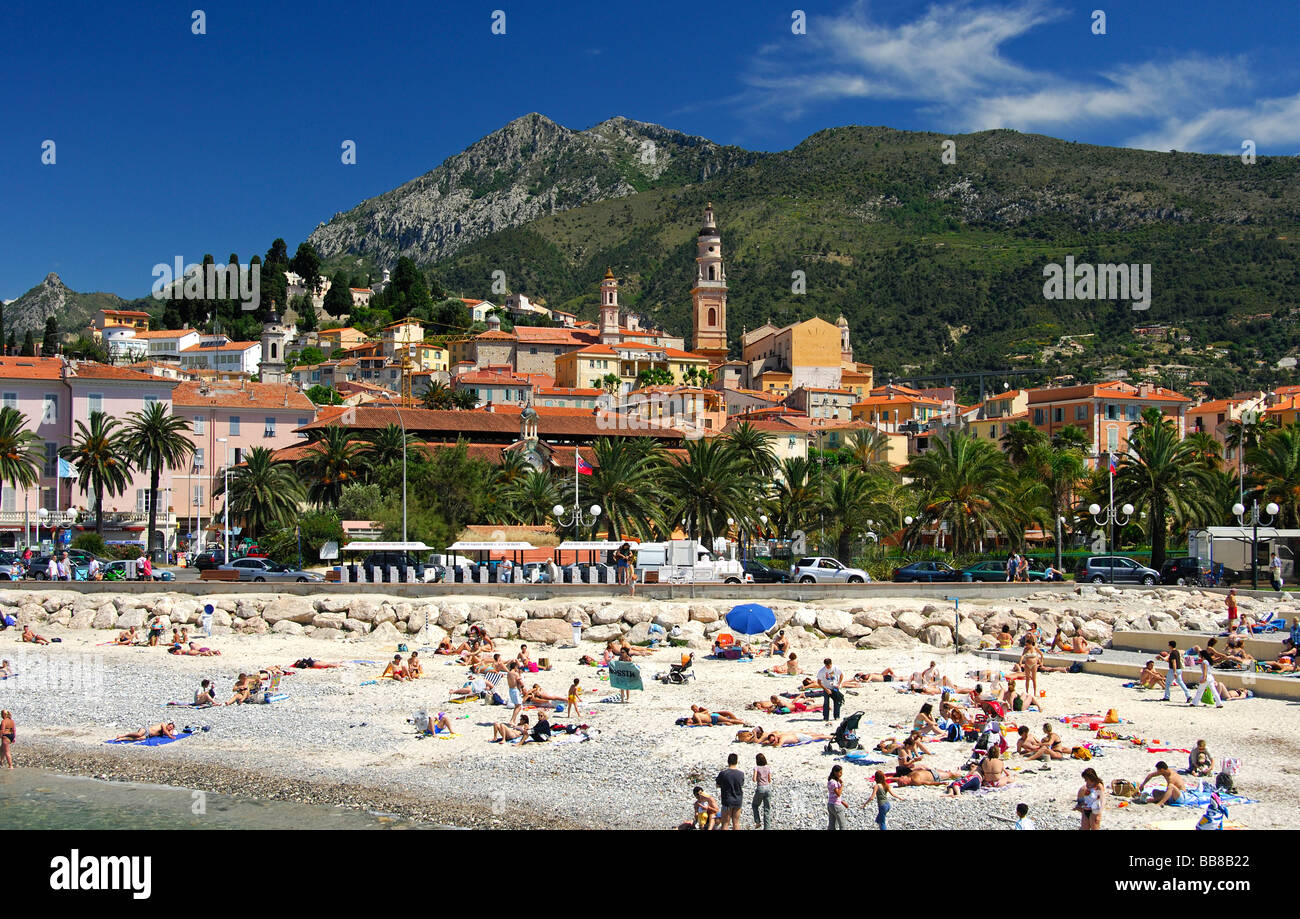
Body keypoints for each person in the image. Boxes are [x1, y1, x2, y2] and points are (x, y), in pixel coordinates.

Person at [715, 753, 745, 830]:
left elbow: (717, 785)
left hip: (727, 800)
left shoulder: (723, 773)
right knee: (736, 822)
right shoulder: (741, 774)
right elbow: (741, 784)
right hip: (738, 800)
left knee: (725, 823)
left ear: (728, 761)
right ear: (737, 761)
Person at [817, 657, 844, 723]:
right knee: (826, 702)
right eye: (827, 665)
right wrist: (826, 689)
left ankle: (836, 716)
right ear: (825, 665)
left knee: (837, 701)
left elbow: (841, 675)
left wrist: (839, 683)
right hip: (826, 687)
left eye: (829, 665)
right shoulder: (822, 671)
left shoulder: (835, 668)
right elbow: (819, 682)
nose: (829, 666)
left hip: (834, 687)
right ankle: (825, 717)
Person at [751, 753, 773, 830]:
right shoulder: (768, 767)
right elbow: (769, 780)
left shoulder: (756, 768)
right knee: (767, 808)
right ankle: (767, 827)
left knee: (755, 805)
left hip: (760, 788)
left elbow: (754, 779)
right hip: (768, 788)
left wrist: (758, 778)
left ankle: (757, 822)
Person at [827, 765, 848, 830]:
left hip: (830, 804)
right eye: (840, 772)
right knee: (842, 825)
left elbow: (833, 795)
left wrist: (842, 802)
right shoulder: (834, 782)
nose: (841, 774)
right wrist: (842, 785)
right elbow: (838, 794)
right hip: (836, 806)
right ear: (835, 772)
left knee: (832, 825)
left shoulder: (830, 781)